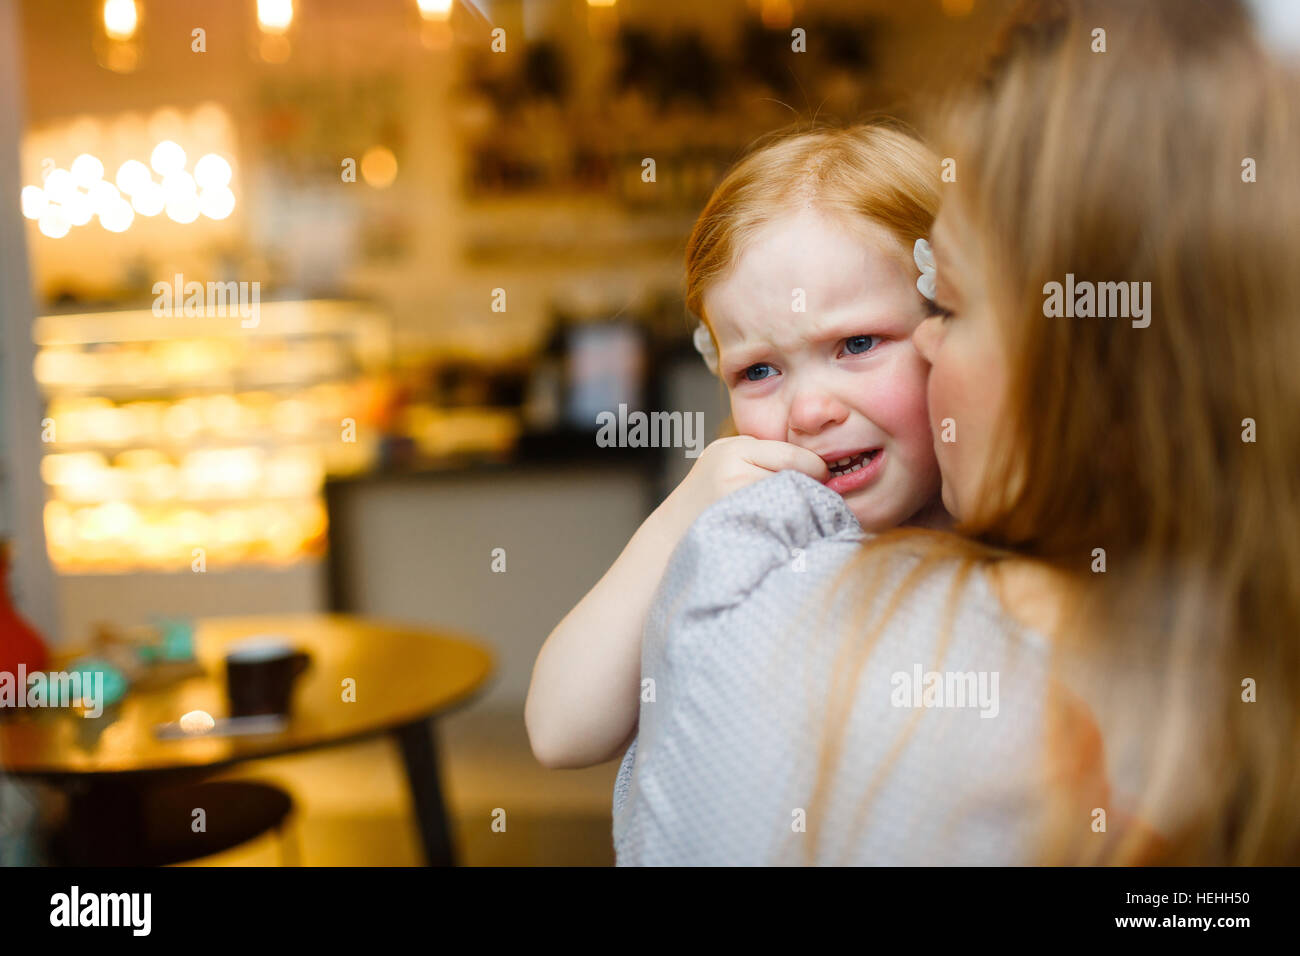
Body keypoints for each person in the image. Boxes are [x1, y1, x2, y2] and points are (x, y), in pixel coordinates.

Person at [612, 0, 1300, 865]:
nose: (930, 340)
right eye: (758, 369)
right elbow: (562, 720)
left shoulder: (765, 631)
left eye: (950, 305)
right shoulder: (1236, 666)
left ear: (1099, 374)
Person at [527, 124, 949, 770]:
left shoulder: (1015, 525)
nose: (810, 411)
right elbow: (560, 730)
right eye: (759, 372)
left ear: (950, 321)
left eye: (857, 344)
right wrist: (678, 520)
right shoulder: (755, 534)